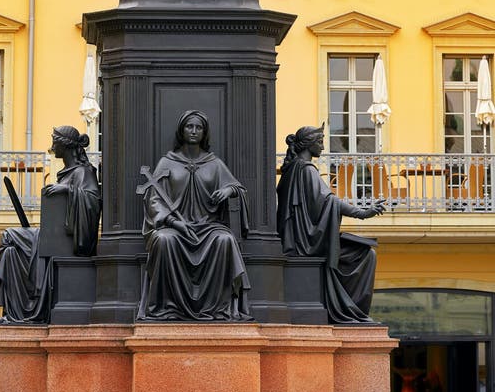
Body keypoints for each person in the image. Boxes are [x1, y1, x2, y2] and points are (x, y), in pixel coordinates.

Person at [0, 125, 101, 324]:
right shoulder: (68, 173)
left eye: (54, 140)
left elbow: (93, 201)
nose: (52, 145)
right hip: (53, 235)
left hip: (68, 239)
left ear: (65, 145)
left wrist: (67, 190)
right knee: (10, 253)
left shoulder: (83, 172)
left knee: (9, 235)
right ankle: (13, 311)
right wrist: (65, 187)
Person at [137, 110, 251, 320]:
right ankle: (167, 306)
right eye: (189, 126)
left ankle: (217, 307)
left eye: (199, 127)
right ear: (182, 130)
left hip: (208, 226)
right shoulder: (167, 162)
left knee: (225, 240)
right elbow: (154, 200)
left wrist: (228, 190)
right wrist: (173, 222)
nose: (194, 131)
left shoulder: (214, 163)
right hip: (174, 227)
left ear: (204, 133)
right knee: (163, 240)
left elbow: (238, 189)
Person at [276, 125, 385, 325]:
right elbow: (329, 201)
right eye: (320, 142)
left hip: (303, 238)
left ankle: (350, 309)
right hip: (308, 243)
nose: (323, 146)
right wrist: (362, 213)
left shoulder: (293, 169)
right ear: (309, 144)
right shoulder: (306, 170)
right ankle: (350, 310)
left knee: (364, 253)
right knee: (367, 255)